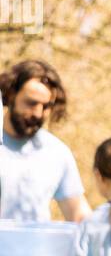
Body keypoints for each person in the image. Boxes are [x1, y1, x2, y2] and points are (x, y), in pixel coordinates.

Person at [0, 59, 91, 221]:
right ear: (11, 94)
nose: (38, 113)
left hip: (36, 245)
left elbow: (79, 215)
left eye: (46, 106)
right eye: (31, 103)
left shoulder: (56, 153)